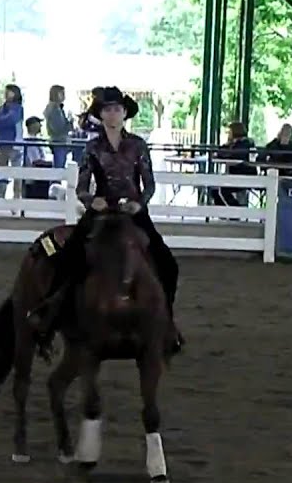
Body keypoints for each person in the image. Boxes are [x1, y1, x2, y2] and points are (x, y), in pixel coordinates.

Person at [28, 86, 182, 355]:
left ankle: (167, 324)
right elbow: (82, 186)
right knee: (69, 255)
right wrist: (90, 200)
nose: (113, 114)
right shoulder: (92, 147)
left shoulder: (137, 145)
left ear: (124, 114)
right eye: (107, 110)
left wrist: (139, 203)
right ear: (101, 114)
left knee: (167, 262)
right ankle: (47, 319)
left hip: (132, 211)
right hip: (101, 210)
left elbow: (149, 184)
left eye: (117, 109)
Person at [43, 85, 73, 168]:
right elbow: (58, 127)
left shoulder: (57, 108)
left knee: (59, 166)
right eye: (62, 93)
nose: (64, 96)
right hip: (59, 140)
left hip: (58, 140)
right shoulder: (54, 109)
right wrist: (69, 124)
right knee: (59, 168)